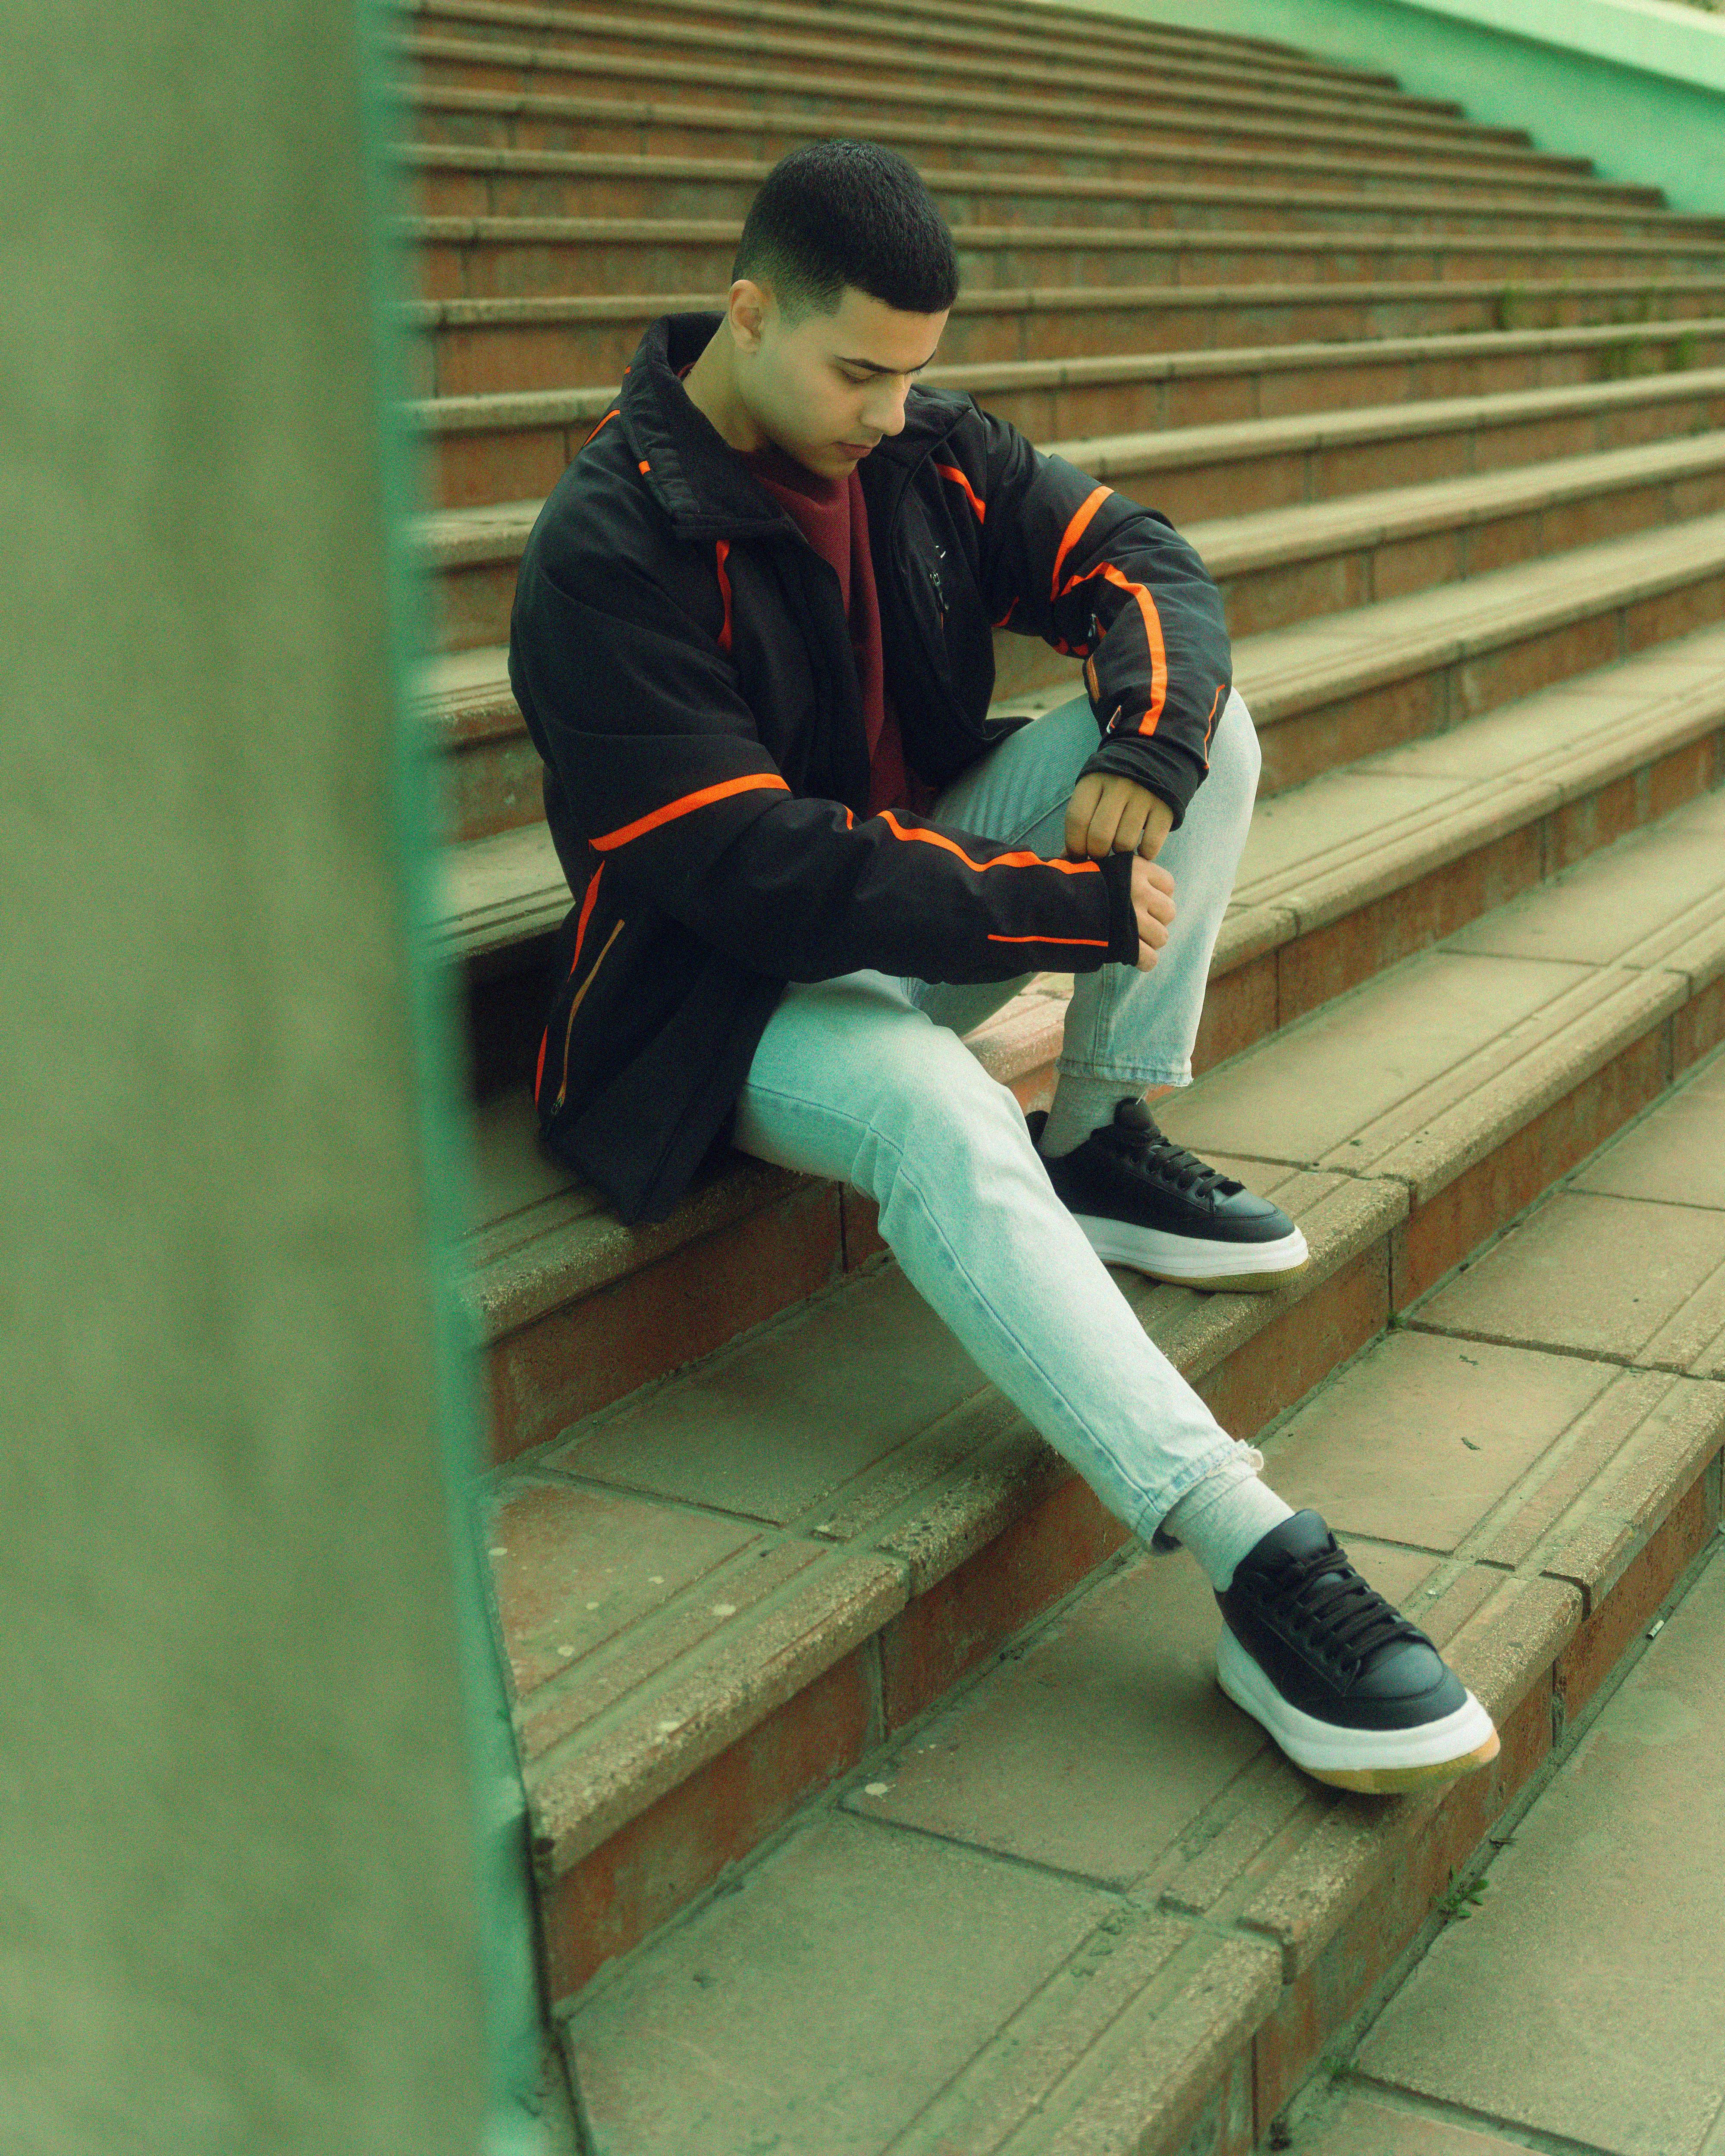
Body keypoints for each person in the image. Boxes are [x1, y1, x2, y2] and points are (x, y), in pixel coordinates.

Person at [507, 140, 1499, 1794]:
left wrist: (1153, 751)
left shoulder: (924, 451)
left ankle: (1103, 1134)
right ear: (748, 316)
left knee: (1211, 724)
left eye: (918, 375)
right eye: (861, 373)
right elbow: (756, 869)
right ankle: (1258, 1557)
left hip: (924, 908)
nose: (894, 413)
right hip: (715, 999)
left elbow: (1151, 566)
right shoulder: (606, 549)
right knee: (935, 1115)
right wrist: (1058, 907)